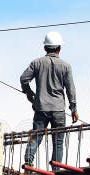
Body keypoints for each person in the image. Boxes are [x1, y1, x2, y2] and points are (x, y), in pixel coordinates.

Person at [20, 31, 78, 167]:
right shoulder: (65, 66)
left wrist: (29, 93)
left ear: (45, 47)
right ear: (59, 48)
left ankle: (28, 162)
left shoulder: (37, 63)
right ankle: (56, 168)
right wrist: (73, 109)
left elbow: (23, 79)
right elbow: (70, 89)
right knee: (58, 141)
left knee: (36, 136)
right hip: (58, 110)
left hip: (41, 108)